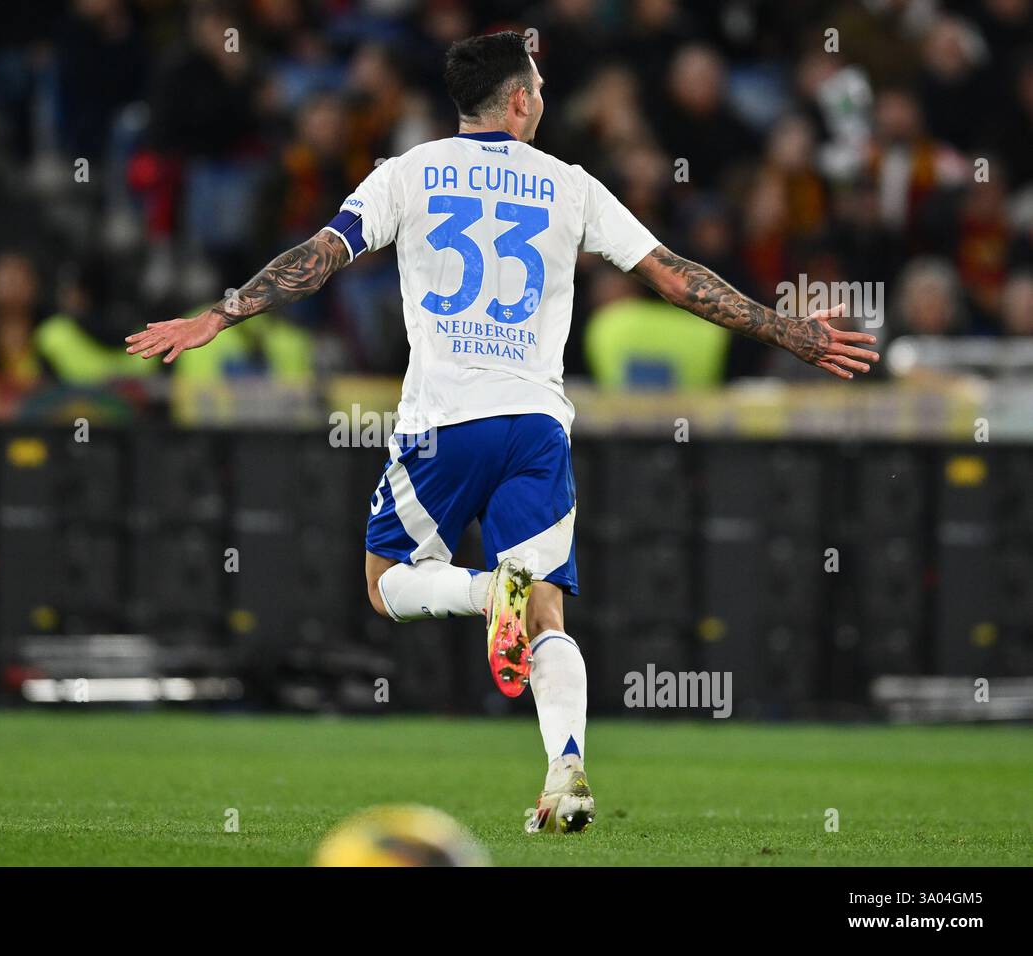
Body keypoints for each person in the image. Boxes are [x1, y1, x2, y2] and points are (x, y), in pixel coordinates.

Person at [125, 32, 878, 835]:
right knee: (548, 612)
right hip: (536, 426)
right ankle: (566, 772)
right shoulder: (571, 185)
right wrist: (781, 330)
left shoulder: (406, 173)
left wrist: (223, 311)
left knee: (387, 584)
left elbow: (319, 257)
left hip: (444, 421)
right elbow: (674, 276)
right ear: (518, 100)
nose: (546, 99)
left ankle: (486, 593)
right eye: (541, 88)